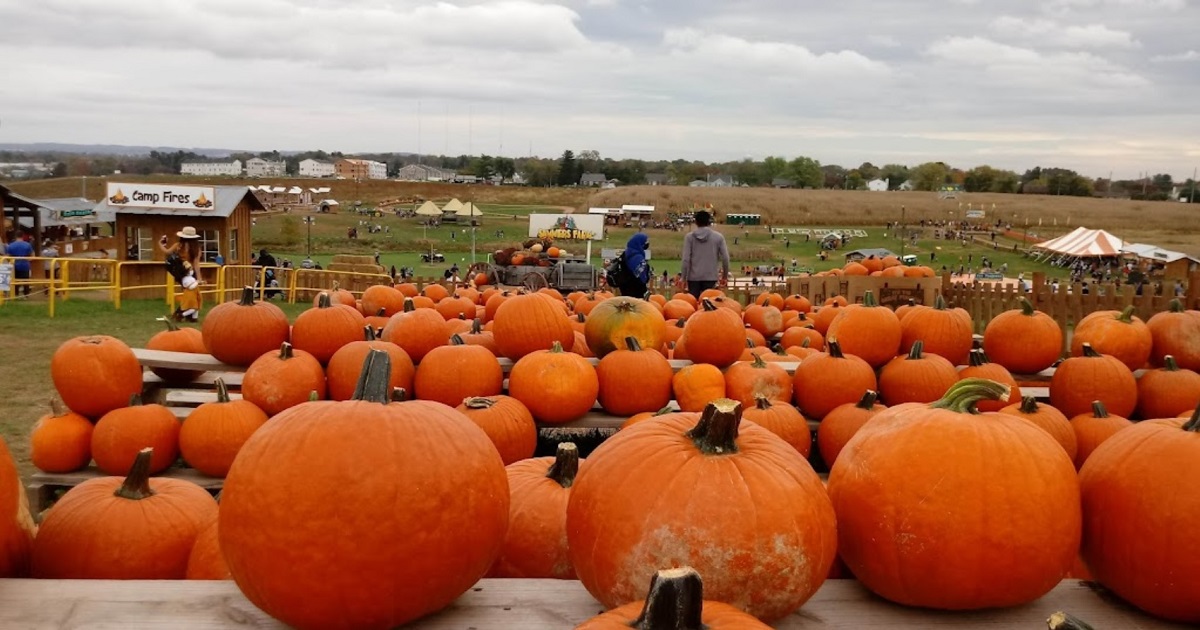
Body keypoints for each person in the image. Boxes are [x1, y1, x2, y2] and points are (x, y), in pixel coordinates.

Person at [680, 211, 730, 299]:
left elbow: (686, 259)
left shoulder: (689, 237)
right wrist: (724, 276)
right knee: (709, 304)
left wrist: (683, 278)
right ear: (709, 222)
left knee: (693, 303)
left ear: (696, 222)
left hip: (693, 278)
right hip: (711, 277)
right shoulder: (718, 237)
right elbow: (725, 258)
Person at [159, 226, 203, 321]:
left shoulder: (178, 245)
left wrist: (160, 244)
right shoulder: (196, 248)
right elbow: (196, 264)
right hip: (191, 273)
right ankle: (184, 314)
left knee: (188, 293)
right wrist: (199, 278)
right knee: (194, 294)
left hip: (181, 273)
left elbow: (167, 252)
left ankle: (185, 314)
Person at [615, 232, 651, 298]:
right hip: (635, 291)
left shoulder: (627, 253)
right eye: (645, 242)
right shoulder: (637, 257)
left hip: (625, 288)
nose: (647, 244)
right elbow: (642, 277)